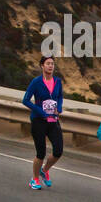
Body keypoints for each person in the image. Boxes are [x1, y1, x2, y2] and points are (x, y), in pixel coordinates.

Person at [21, 55, 63, 189]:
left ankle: (44, 171)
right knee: (41, 152)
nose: (51, 66)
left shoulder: (57, 81)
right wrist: (40, 111)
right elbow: (25, 100)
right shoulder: (36, 82)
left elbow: (60, 96)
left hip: (53, 120)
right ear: (42, 66)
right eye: (48, 63)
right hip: (38, 120)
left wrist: (59, 108)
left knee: (58, 150)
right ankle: (34, 179)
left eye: (52, 64)